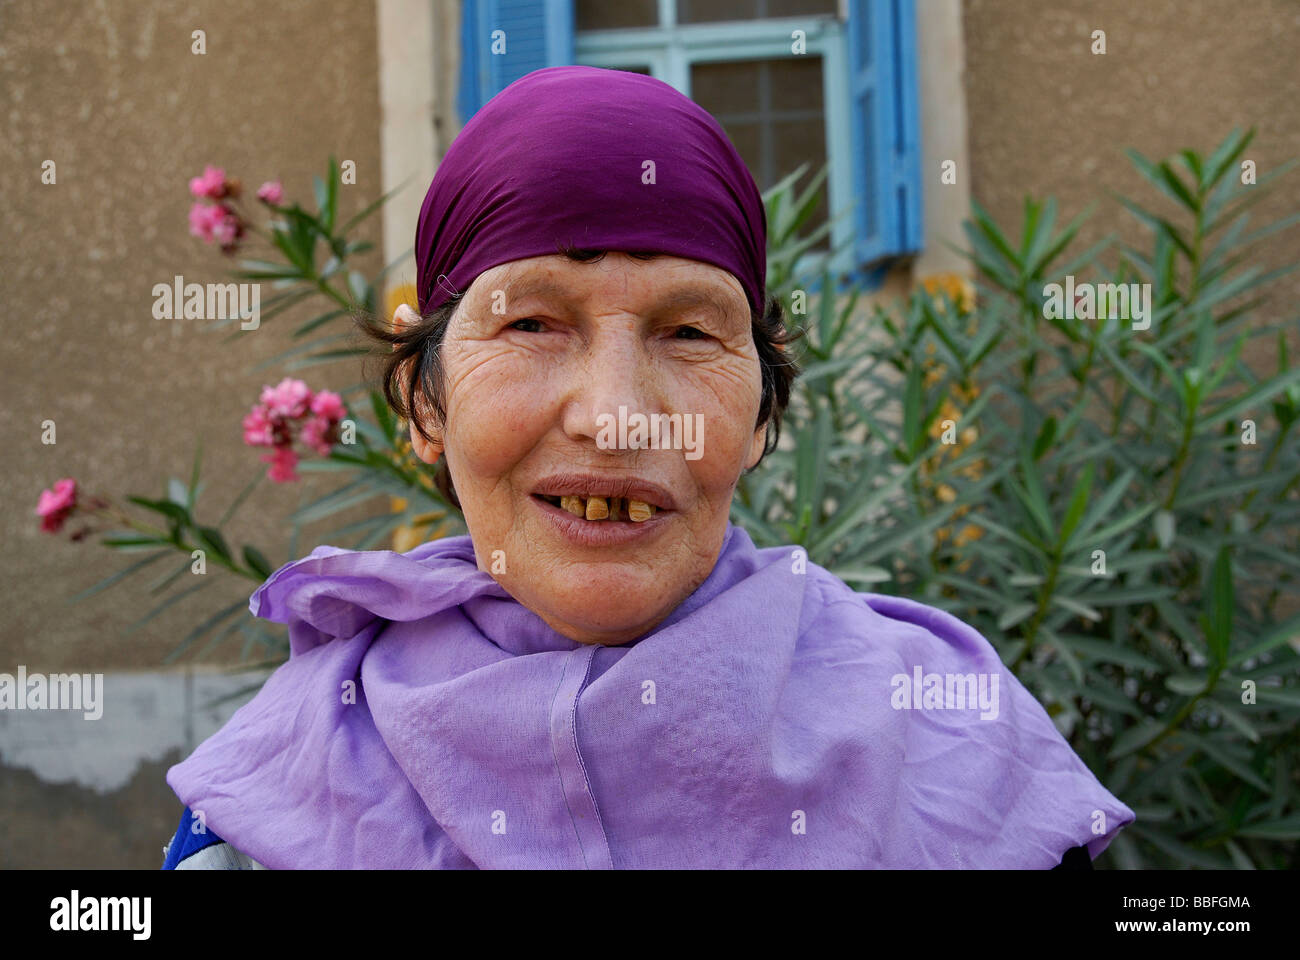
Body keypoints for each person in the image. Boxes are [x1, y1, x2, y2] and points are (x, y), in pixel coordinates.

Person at [162, 65, 1133, 869]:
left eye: (688, 331)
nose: (619, 418)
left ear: (758, 417)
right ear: (426, 405)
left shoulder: (948, 741)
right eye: (532, 322)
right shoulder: (274, 800)